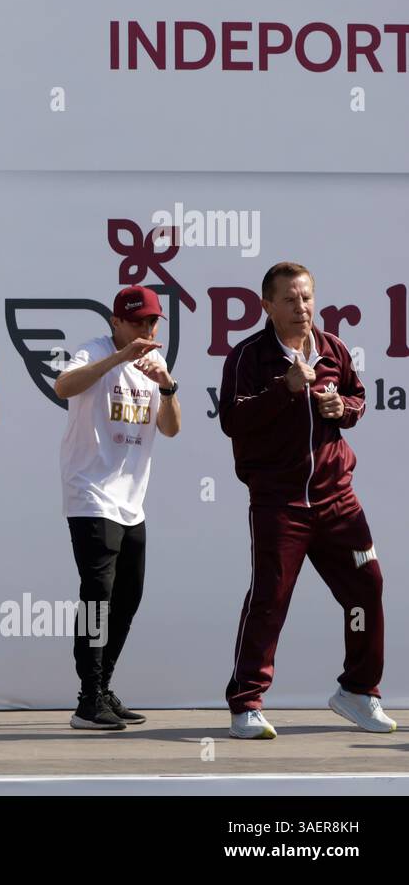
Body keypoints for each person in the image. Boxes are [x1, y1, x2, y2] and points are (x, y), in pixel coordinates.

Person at [219, 262, 393, 739]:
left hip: (339, 500)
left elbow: (356, 397)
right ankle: (246, 704)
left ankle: (359, 692)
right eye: (291, 300)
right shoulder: (248, 357)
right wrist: (286, 389)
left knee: (367, 586)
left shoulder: (333, 348)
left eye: (307, 298)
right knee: (270, 598)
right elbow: (233, 420)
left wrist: (345, 409)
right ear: (267, 305)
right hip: (280, 503)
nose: (301, 308)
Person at [54, 285, 181, 730]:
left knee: (128, 597)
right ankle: (87, 698)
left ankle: (102, 687)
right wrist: (118, 360)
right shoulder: (95, 351)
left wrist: (166, 388)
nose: (145, 330)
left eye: (151, 322)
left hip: (132, 501)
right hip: (90, 494)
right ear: (116, 322)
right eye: (137, 321)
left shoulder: (156, 362)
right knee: (97, 598)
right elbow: (64, 385)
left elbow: (172, 428)